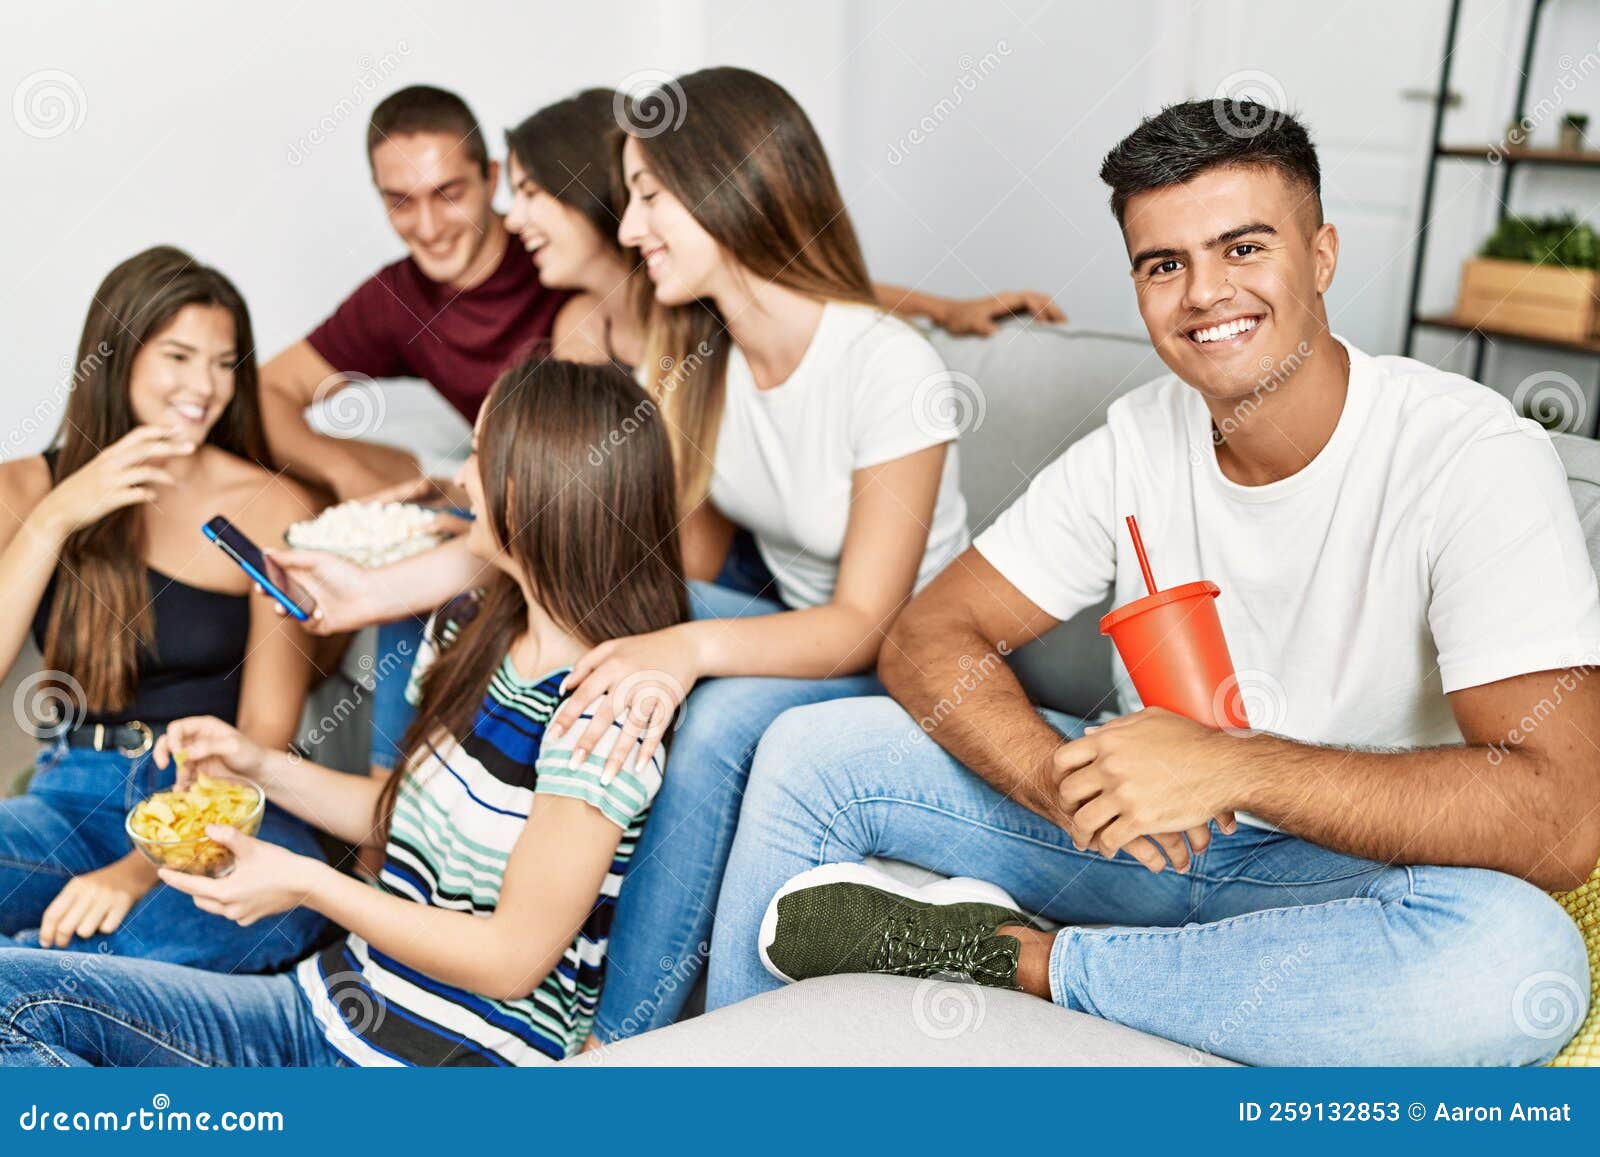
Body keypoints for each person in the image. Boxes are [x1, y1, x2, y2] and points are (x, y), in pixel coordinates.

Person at [706, 99, 1600, 1067]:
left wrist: (1236, 765)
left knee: (1515, 957)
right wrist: (1053, 779)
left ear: (1323, 255)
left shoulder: (1468, 457)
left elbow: (1558, 817)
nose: (1203, 293)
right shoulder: (1137, 438)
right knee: (808, 749)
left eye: (1243, 248)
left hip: (1338, 872)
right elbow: (930, 635)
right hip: (1136, 841)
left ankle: (1021, 962)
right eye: (1162, 264)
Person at [0, 357, 684, 1067]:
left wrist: (307, 884)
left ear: (528, 486)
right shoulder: (475, 633)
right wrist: (257, 762)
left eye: (478, 457)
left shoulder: (602, 712)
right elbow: (402, 811)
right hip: (327, 1004)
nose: (458, 478)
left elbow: (511, 958)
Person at [0, 246, 329, 971]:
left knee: (251, 916)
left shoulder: (268, 504)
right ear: (116, 358)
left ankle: (35, 985)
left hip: (221, 802)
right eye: (178, 356)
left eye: (223, 362)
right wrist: (57, 515)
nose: (204, 386)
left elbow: (267, 728)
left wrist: (140, 868)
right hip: (71, 796)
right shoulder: (26, 487)